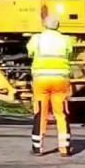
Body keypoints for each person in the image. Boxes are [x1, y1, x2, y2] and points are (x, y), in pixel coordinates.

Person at [27, 11, 75, 156]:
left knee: (41, 113)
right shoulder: (65, 39)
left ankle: (37, 147)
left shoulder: (37, 39)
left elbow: (30, 53)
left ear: (44, 25)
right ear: (58, 25)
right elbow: (70, 54)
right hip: (60, 81)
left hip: (41, 80)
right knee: (61, 113)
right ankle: (64, 148)